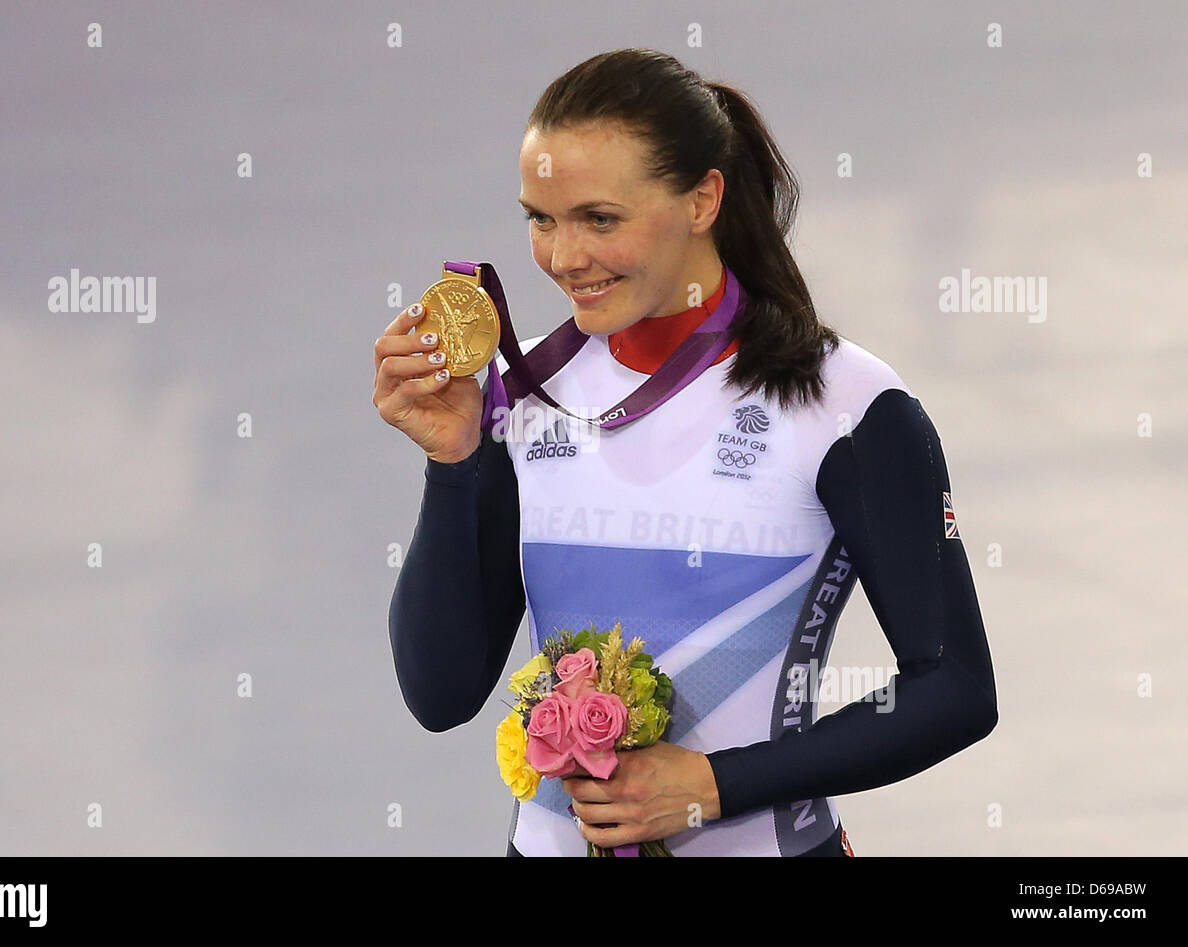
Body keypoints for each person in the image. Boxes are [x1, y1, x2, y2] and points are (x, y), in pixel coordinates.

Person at [375, 48, 998, 857]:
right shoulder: (518, 393)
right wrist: (454, 464)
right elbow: (441, 692)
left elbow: (955, 689)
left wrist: (713, 785)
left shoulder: (845, 407)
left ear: (704, 198)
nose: (564, 257)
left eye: (600, 218)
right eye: (540, 217)